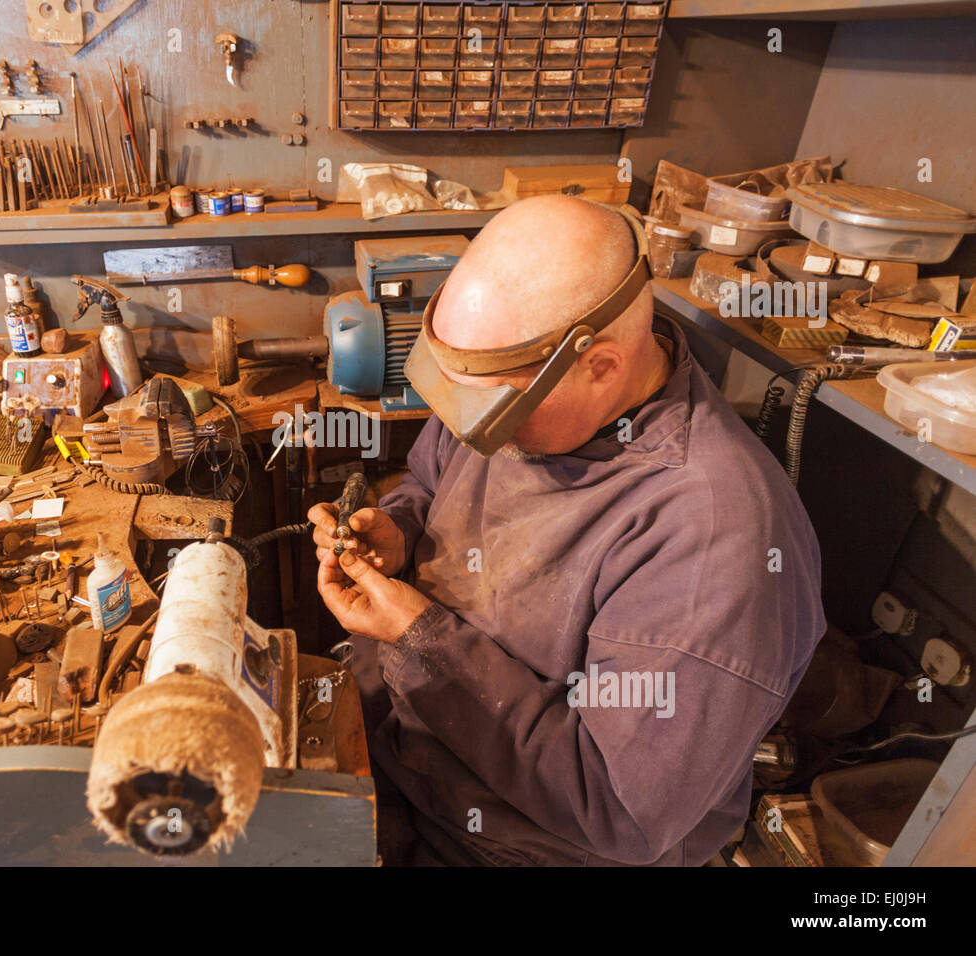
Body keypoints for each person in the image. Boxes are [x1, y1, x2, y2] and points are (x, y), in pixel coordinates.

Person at [309, 196, 825, 866]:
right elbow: (429, 483)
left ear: (600, 364)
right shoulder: (513, 386)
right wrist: (400, 530)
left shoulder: (718, 537)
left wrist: (424, 638)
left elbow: (615, 805)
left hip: (517, 847)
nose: (469, 426)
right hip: (407, 751)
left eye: (491, 408)